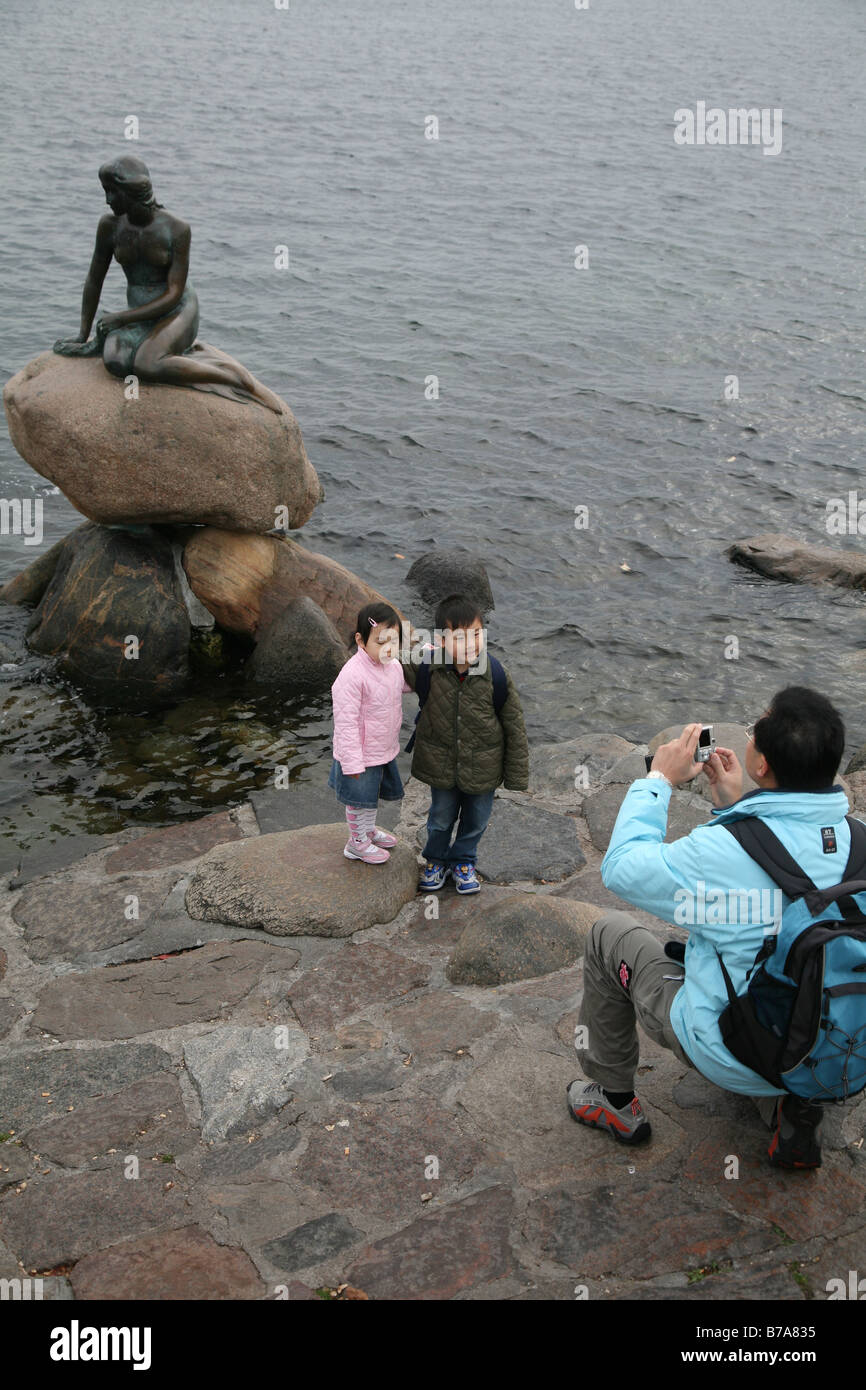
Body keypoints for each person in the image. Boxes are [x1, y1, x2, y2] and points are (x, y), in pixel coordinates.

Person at [566, 686, 863, 1169]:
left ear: (762, 765)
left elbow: (621, 867)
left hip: (730, 1047)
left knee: (607, 935)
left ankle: (615, 1102)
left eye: (754, 729)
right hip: (828, 1042)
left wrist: (658, 778)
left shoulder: (722, 850)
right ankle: (797, 1102)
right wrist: (737, 806)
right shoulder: (859, 840)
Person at [401, 593, 529, 894]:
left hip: (483, 768)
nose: (471, 643)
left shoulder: (496, 675)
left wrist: (517, 775)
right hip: (441, 765)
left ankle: (463, 861)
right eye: (460, 637)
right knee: (439, 819)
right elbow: (394, 661)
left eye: (475, 634)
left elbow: (515, 726)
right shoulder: (428, 667)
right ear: (443, 641)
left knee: (476, 820)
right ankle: (435, 860)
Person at [328, 602, 410, 864]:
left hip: (381, 748)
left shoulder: (392, 665)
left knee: (371, 795)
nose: (388, 648)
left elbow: (400, 685)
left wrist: (428, 670)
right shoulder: (352, 676)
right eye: (381, 641)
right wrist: (351, 762)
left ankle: (368, 830)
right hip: (360, 754)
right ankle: (356, 842)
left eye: (394, 642)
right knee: (357, 799)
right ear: (361, 641)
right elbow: (345, 722)